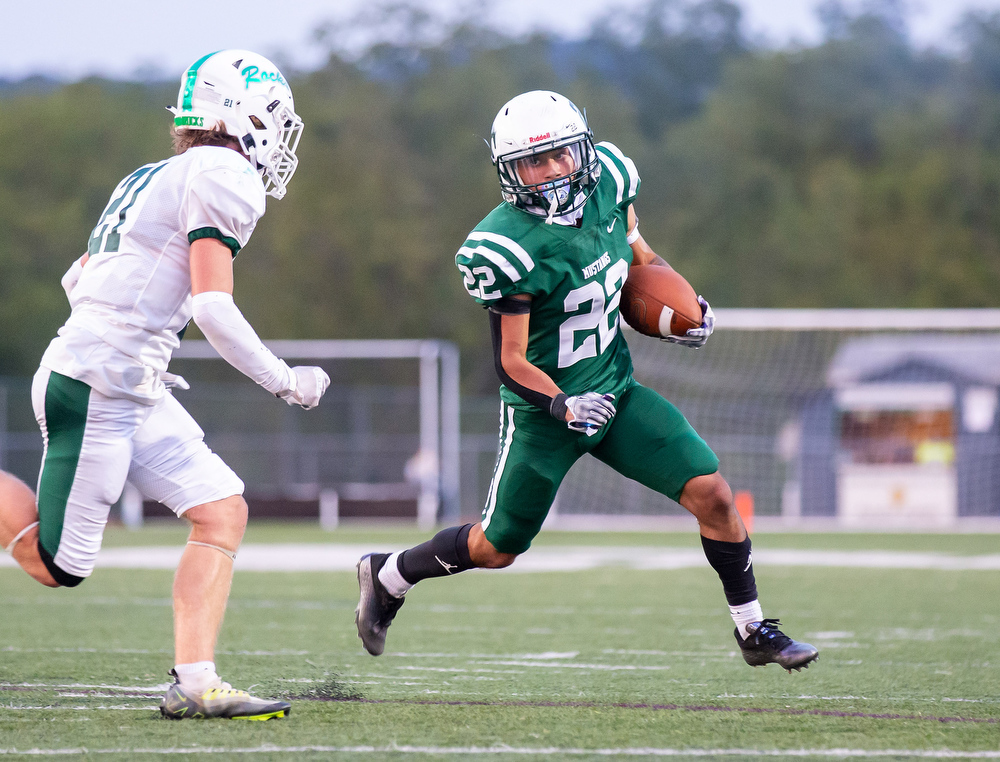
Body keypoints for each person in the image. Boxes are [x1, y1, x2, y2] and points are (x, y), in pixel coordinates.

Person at [355, 90, 818, 673]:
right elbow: (512, 361)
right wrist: (562, 405)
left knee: (714, 494)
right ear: (509, 172)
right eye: (533, 162)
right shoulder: (506, 247)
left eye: (560, 155)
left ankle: (753, 630)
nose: (550, 171)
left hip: (616, 392)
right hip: (545, 413)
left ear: (583, 151)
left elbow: (638, 256)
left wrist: (680, 309)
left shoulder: (612, 183)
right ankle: (389, 574)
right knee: (496, 549)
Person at [0, 50, 330, 720]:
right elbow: (211, 307)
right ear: (241, 113)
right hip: (96, 387)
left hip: (124, 380)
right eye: (274, 117)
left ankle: (195, 681)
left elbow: (79, 275)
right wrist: (285, 380)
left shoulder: (157, 173)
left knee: (221, 509)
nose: (280, 135)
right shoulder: (226, 173)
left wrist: (134, 336)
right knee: (56, 565)